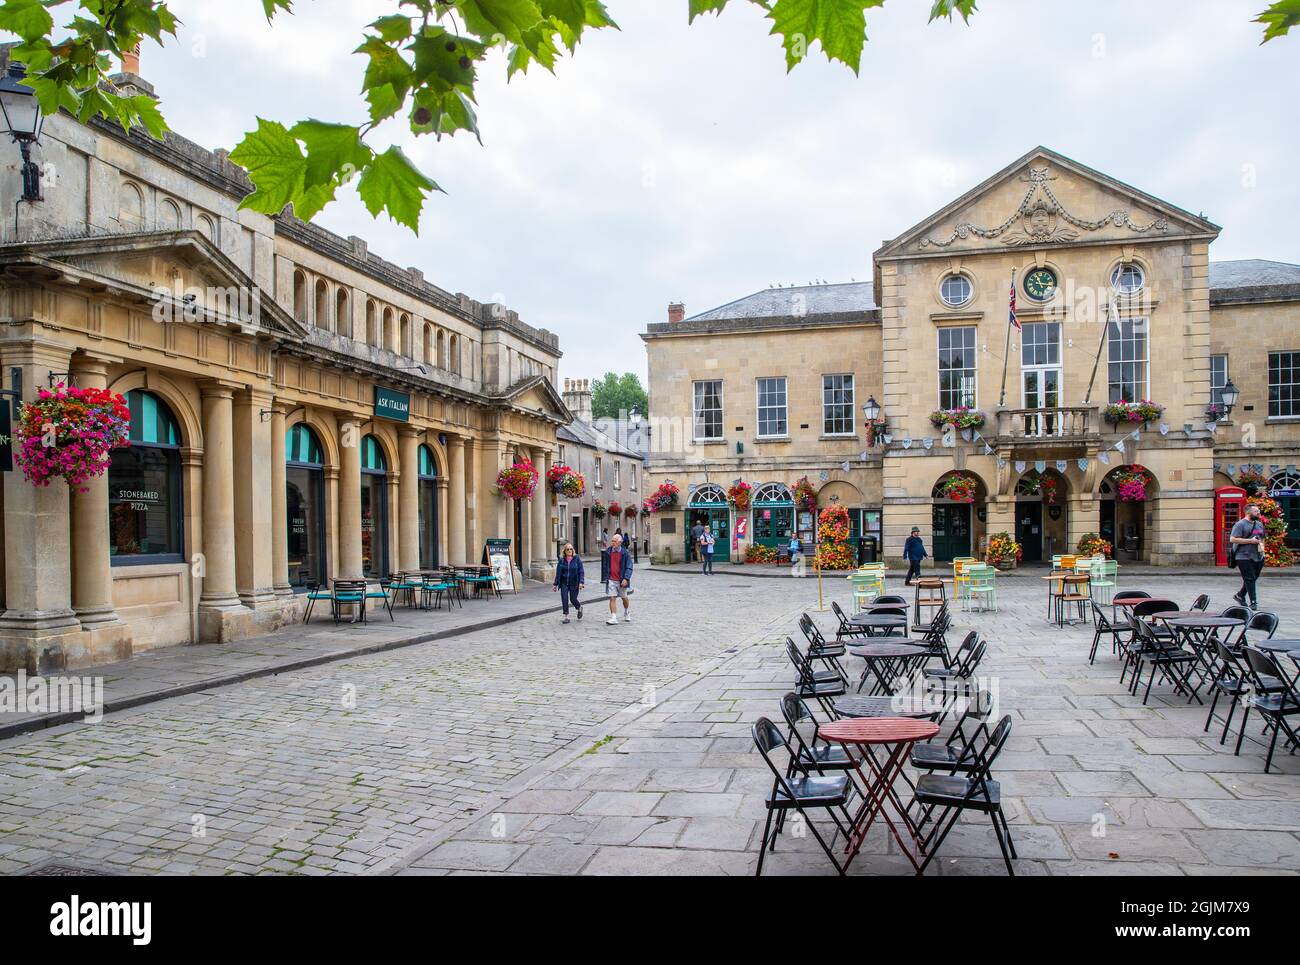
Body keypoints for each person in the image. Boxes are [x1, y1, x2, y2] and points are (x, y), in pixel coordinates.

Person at [1230, 503, 1267, 607]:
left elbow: (1262, 538)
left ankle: (1240, 595)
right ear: (1248, 512)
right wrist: (1250, 541)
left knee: (1254, 577)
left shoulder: (1259, 524)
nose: (1258, 513)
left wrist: (1263, 552)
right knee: (1249, 578)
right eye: (1256, 511)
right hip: (1243, 556)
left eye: (1258, 511)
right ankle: (1253, 602)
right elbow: (1232, 539)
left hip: (1258, 556)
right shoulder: (1240, 524)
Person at [601, 532, 634, 624]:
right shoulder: (608, 552)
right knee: (612, 598)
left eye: (615, 541)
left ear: (620, 542)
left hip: (621, 580)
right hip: (611, 579)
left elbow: (629, 567)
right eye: (612, 541)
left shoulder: (625, 553)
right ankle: (613, 617)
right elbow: (606, 565)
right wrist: (606, 576)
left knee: (624, 598)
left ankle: (627, 611)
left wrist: (626, 578)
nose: (613, 543)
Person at [552, 542, 585, 623]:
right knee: (564, 599)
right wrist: (555, 584)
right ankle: (566, 616)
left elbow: (581, 571)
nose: (569, 550)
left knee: (573, 599)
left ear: (573, 550)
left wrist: (581, 582)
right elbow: (558, 573)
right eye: (567, 549)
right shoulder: (562, 560)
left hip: (574, 582)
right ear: (565, 551)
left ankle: (579, 607)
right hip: (564, 583)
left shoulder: (577, 559)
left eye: (571, 549)